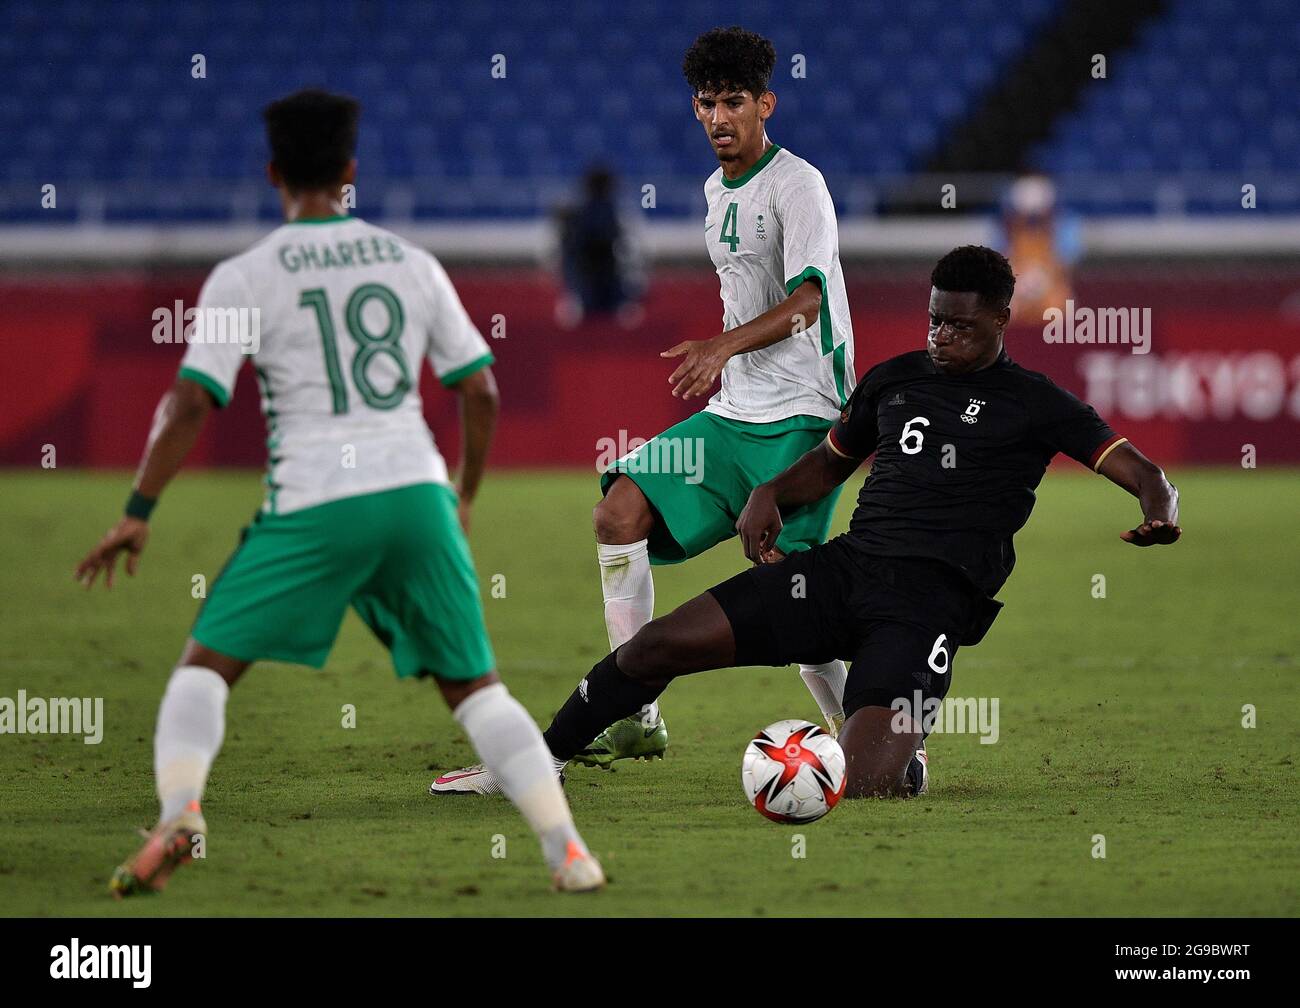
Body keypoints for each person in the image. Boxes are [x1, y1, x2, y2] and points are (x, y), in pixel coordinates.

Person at [75, 89, 604, 895]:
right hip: (417, 496)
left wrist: (137, 512)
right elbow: (483, 391)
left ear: (273, 173)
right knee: (475, 688)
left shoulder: (244, 277)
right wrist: (461, 496)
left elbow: (189, 402)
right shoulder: (410, 263)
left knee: (203, 670)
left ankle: (181, 810)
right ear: (351, 172)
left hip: (317, 499)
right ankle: (569, 851)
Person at [447, 245, 1182, 801]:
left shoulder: (1038, 403)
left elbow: (1144, 472)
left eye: (959, 325)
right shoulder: (894, 380)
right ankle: (538, 764)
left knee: (861, 786)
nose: (941, 336)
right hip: (845, 573)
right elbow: (831, 462)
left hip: (927, 607)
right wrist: (769, 492)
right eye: (934, 320)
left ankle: (904, 756)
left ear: (998, 318)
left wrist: (1158, 510)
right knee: (654, 646)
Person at [431, 25, 857, 793]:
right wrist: (729, 363)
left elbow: (808, 301)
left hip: (804, 417)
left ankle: (864, 746)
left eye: (734, 102)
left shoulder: (800, 186)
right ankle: (639, 716)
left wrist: (723, 345)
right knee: (618, 510)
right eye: (705, 104)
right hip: (735, 415)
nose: (719, 117)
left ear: (767, 103)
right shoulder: (711, 191)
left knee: (796, 601)